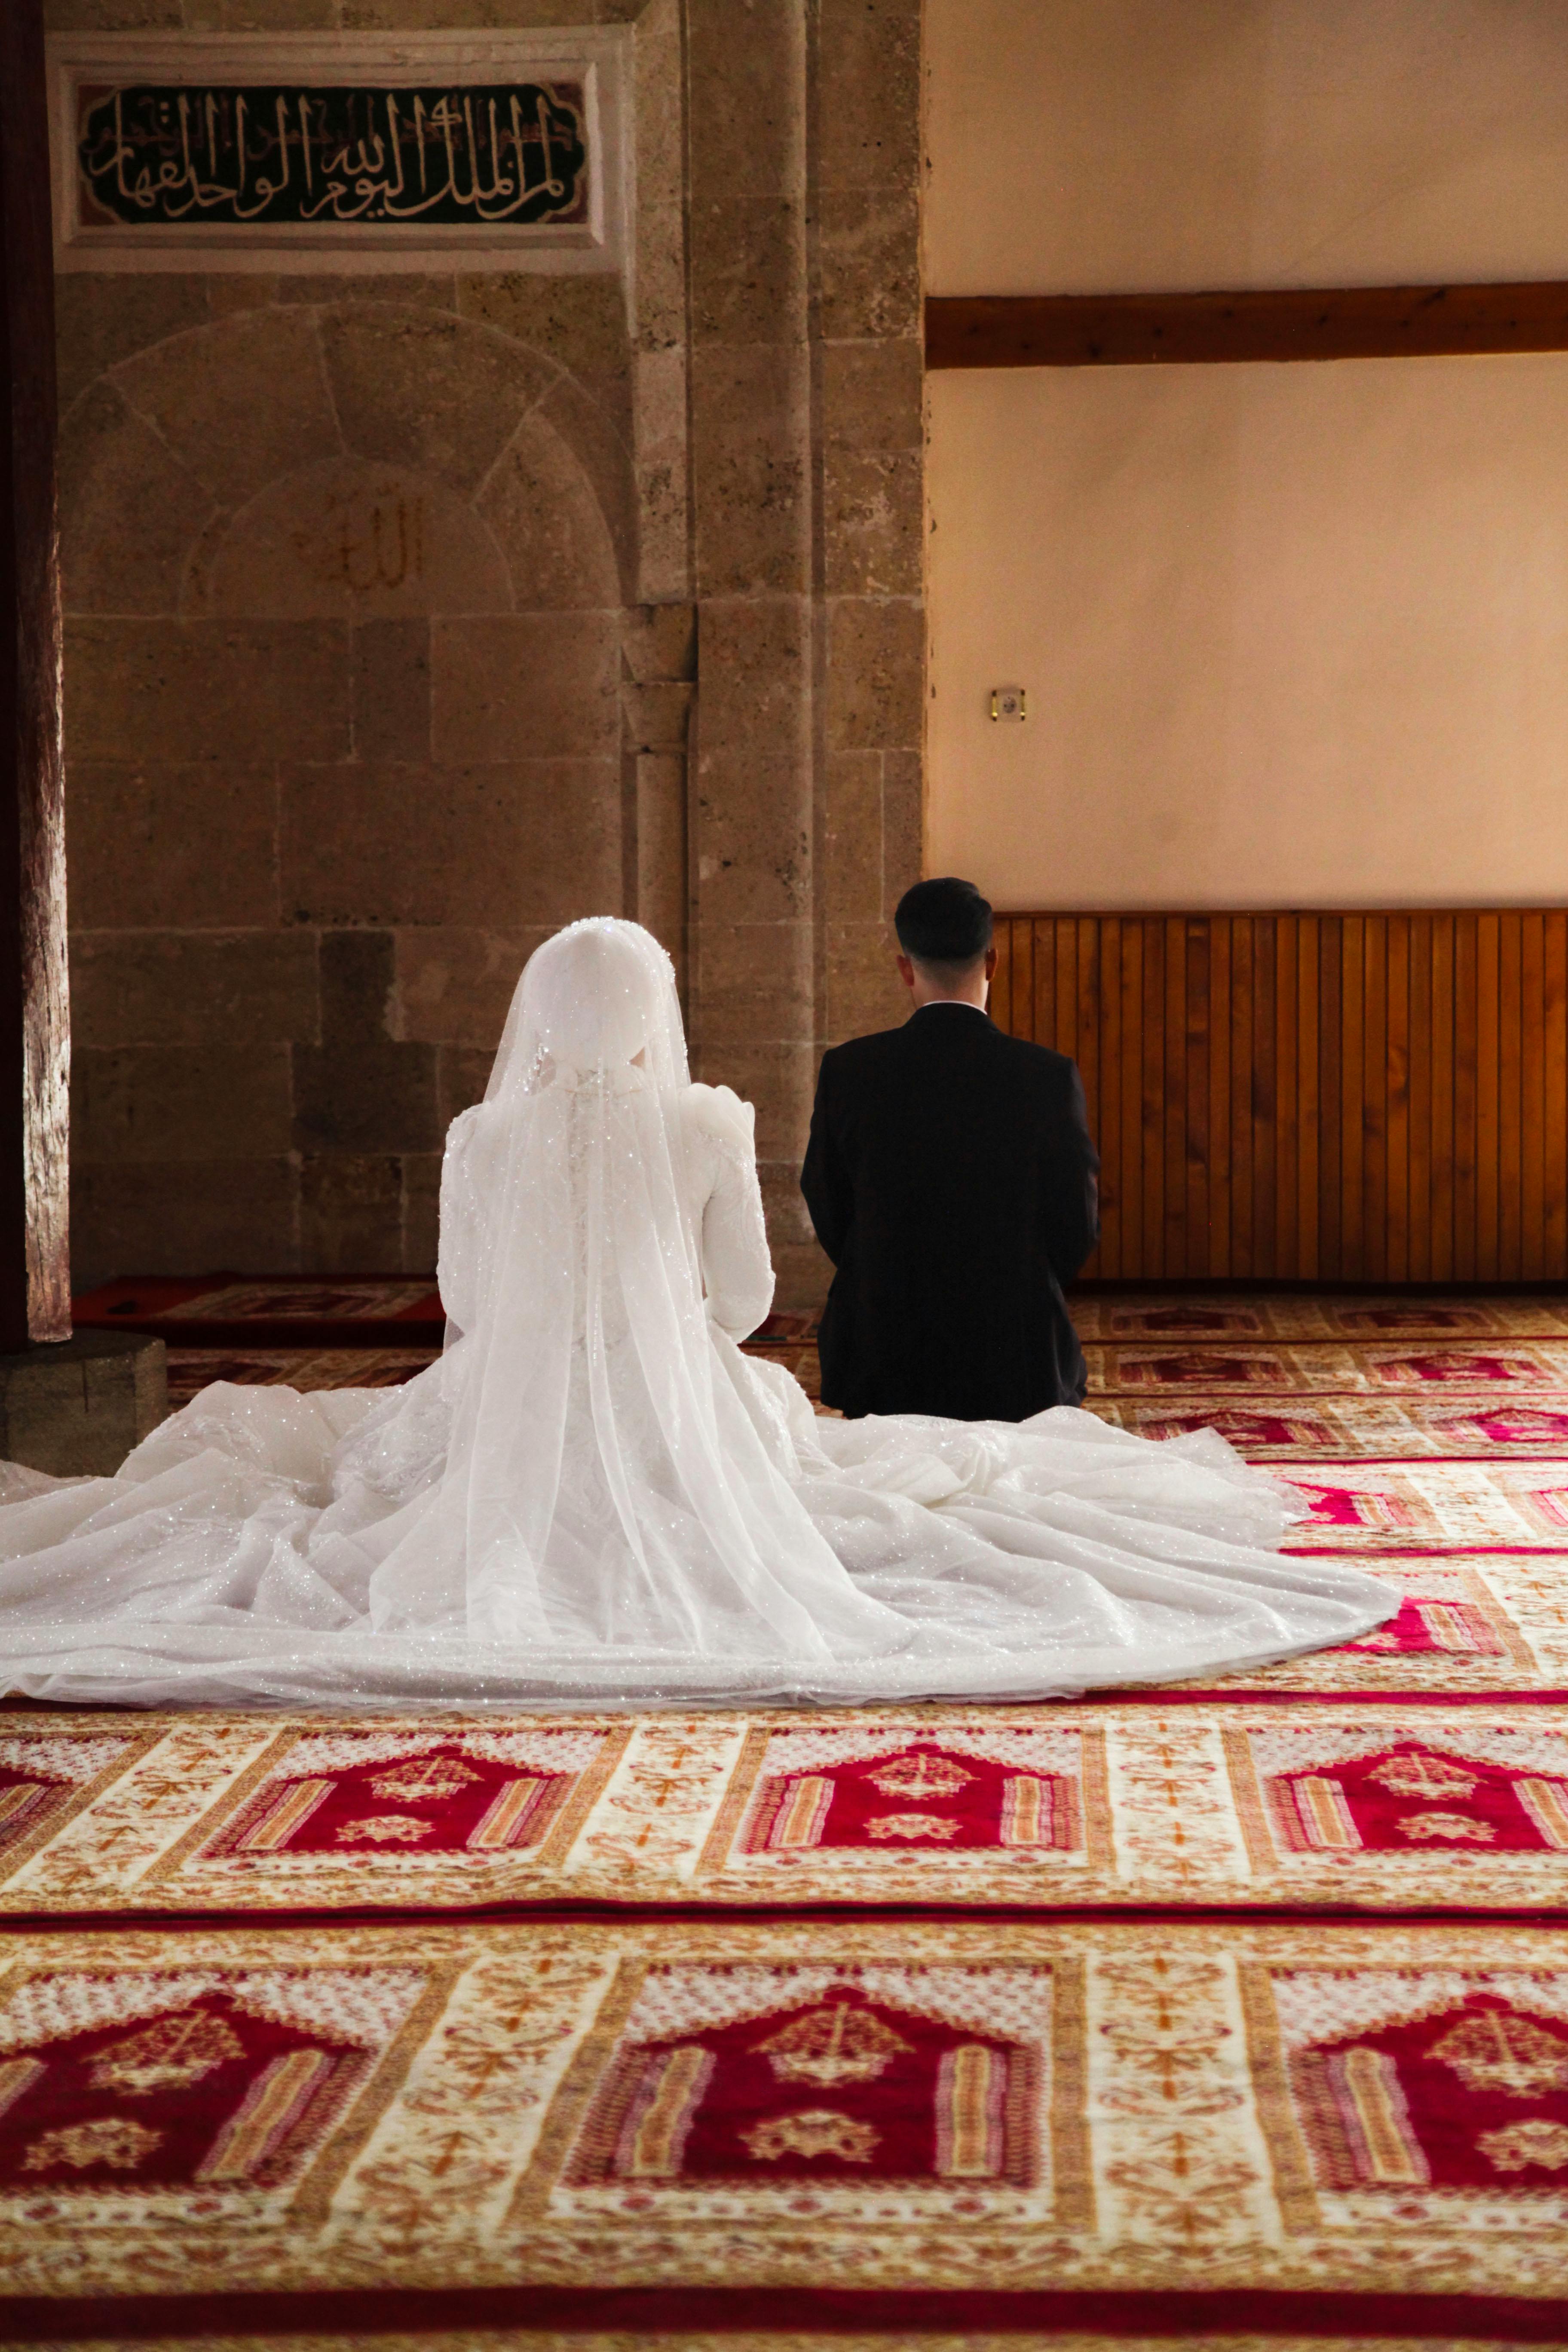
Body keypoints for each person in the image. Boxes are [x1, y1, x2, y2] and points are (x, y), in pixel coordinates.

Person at [0, 919, 1389, 1710]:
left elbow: (472, 1308)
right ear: (656, 1007)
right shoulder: (701, 1120)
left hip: (498, 1411)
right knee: (846, 1485)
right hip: (683, 1416)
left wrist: (557, 1360)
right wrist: (659, 1355)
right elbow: (741, 1303)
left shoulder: (484, 1135)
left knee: (318, 1494)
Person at [802, 877, 1097, 1420]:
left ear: (905, 968)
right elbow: (1075, 1218)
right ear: (993, 962)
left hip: (884, 1348)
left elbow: (826, 1198)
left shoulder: (851, 1071)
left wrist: (886, 1266)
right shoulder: (1046, 1077)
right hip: (1015, 1353)